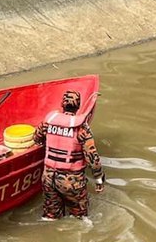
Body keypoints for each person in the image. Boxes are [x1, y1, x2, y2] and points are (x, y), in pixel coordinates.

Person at [33, 90, 105, 221]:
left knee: (51, 216)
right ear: (78, 106)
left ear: (62, 104)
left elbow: (37, 139)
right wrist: (99, 179)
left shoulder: (48, 122)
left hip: (48, 177)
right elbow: (92, 157)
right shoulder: (81, 128)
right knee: (79, 218)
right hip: (71, 180)